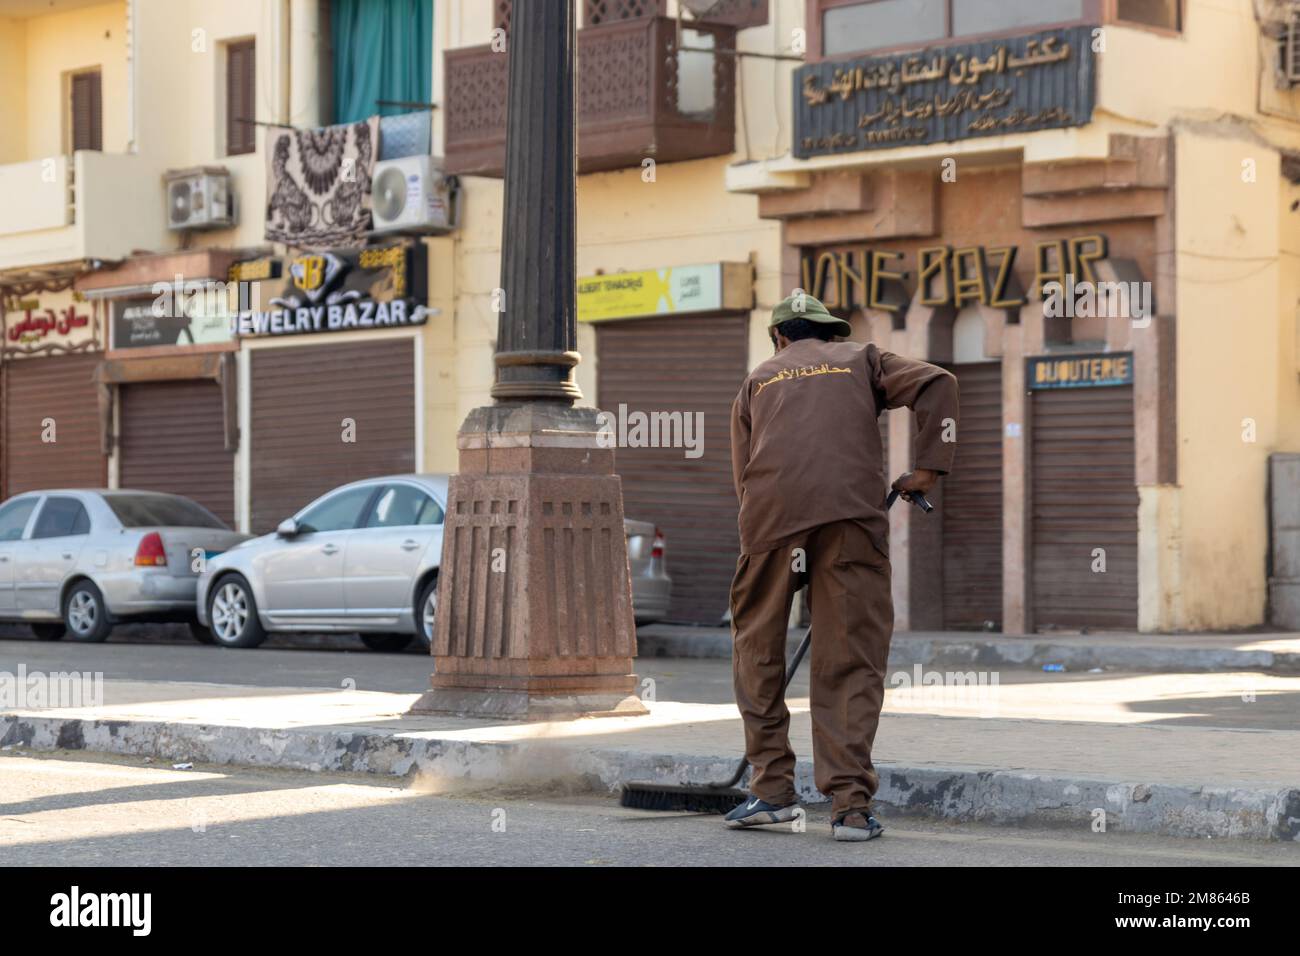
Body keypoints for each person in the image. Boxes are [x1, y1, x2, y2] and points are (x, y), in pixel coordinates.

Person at [724, 292, 959, 842]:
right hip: (850, 518)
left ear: (779, 337)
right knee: (849, 655)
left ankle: (770, 791)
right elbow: (938, 382)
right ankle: (850, 808)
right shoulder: (863, 359)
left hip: (770, 519)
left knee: (757, 649)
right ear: (830, 333)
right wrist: (927, 469)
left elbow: (743, 472)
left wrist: (764, 534)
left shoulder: (759, 378)